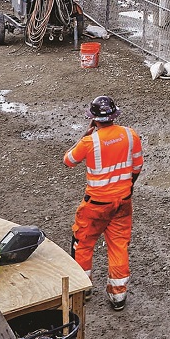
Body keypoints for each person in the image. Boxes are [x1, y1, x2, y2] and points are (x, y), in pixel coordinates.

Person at [64, 95, 145, 310]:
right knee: (118, 245)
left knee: (83, 243)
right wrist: (127, 188)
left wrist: (84, 135)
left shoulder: (90, 141)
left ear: (93, 119)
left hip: (96, 204)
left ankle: (84, 289)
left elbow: (69, 161)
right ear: (114, 115)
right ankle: (118, 295)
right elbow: (137, 168)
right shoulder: (130, 135)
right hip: (123, 201)